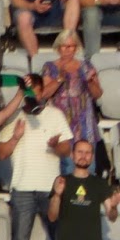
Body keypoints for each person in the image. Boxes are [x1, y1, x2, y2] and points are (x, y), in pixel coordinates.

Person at [0, 73, 72, 240]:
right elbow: (2, 153)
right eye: (30, 95)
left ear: (43, 94)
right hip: (22, 188)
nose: (34, 99)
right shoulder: (13, 116)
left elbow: (67, 150)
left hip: (51, 189)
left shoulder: (55, 115)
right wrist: (15, 137)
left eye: (37, 95)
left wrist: (57, 146)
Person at [40, 29, 103, 159]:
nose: (68, 50)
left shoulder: (86, 66)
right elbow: (45, 94)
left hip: (84, 123)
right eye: (64, 46)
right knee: (65, 165)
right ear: (58, 48)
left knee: (86, 163)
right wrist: (59, 79)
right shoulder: (49, 67)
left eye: (72, 46)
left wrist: (90, 82)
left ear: (76, 48)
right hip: (61, 122)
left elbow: (97, 94)